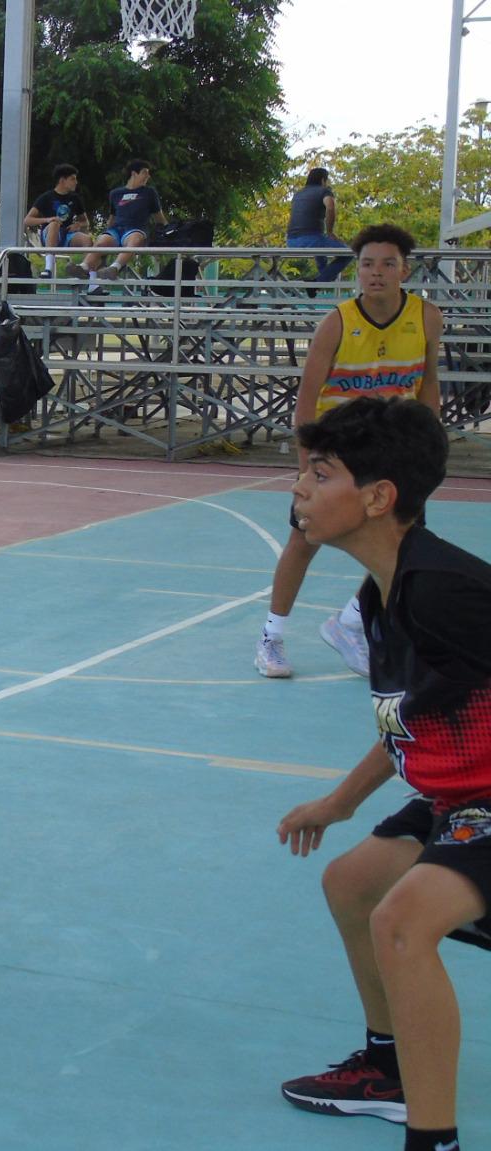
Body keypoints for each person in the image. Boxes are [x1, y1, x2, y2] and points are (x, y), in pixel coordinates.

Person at [275, 396, 490, 1151]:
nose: (298, 487)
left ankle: (436, 1141)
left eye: (319, 473)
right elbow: (413, 721)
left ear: (377, 496)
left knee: (404, 919)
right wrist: (337, 803)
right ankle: (391, 1071)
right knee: (353, 881)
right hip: (456, 796)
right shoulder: (381, 594)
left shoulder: (444, 592)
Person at [254, 224, 442, 679]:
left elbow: (429, 383)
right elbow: (306, 399)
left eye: (386, 264)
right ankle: (271, 637)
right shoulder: (337, 322)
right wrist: (307, 469)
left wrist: (428, 441)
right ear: (357, 271)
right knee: (305, 538)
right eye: (367, 264)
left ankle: (351, 624)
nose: (375, 273)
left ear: (404, 269)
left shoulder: (427, 317)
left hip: (389, 449)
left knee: (402, 542)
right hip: (336, 448)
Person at [84, 159, 167, 280]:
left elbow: (160, 217)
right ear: (134, 174)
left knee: (135, 239)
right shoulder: (115, 193)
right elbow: (112, 217)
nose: (148, 176)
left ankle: (114, 268)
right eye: (145, 172)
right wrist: (106, 232)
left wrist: (166, 233)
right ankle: (82, 267)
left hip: (136, 229)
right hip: (117, 230)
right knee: (101, 241)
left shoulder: (149, 192)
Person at [22, 163, 93, 277]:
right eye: (72, 179)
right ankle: (48, 268)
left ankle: (88, 275)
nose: (76, 182)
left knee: (87, 240)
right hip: (50, 234)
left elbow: (86, 222)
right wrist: (48, 220)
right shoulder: (46, 197)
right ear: (62, 180)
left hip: (67, 235)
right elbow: (28, 220)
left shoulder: (75, 198)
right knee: (55, 224)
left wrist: (78, 225)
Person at [288, 167, 353, 283]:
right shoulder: (324, 191)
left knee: (321, 248)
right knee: (348, 253)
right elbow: (330, 207)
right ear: (323, 180)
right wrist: (330, 232)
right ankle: (319, 282)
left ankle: (322, 280)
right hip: (311, 239)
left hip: (291, 241)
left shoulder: (297, 195)